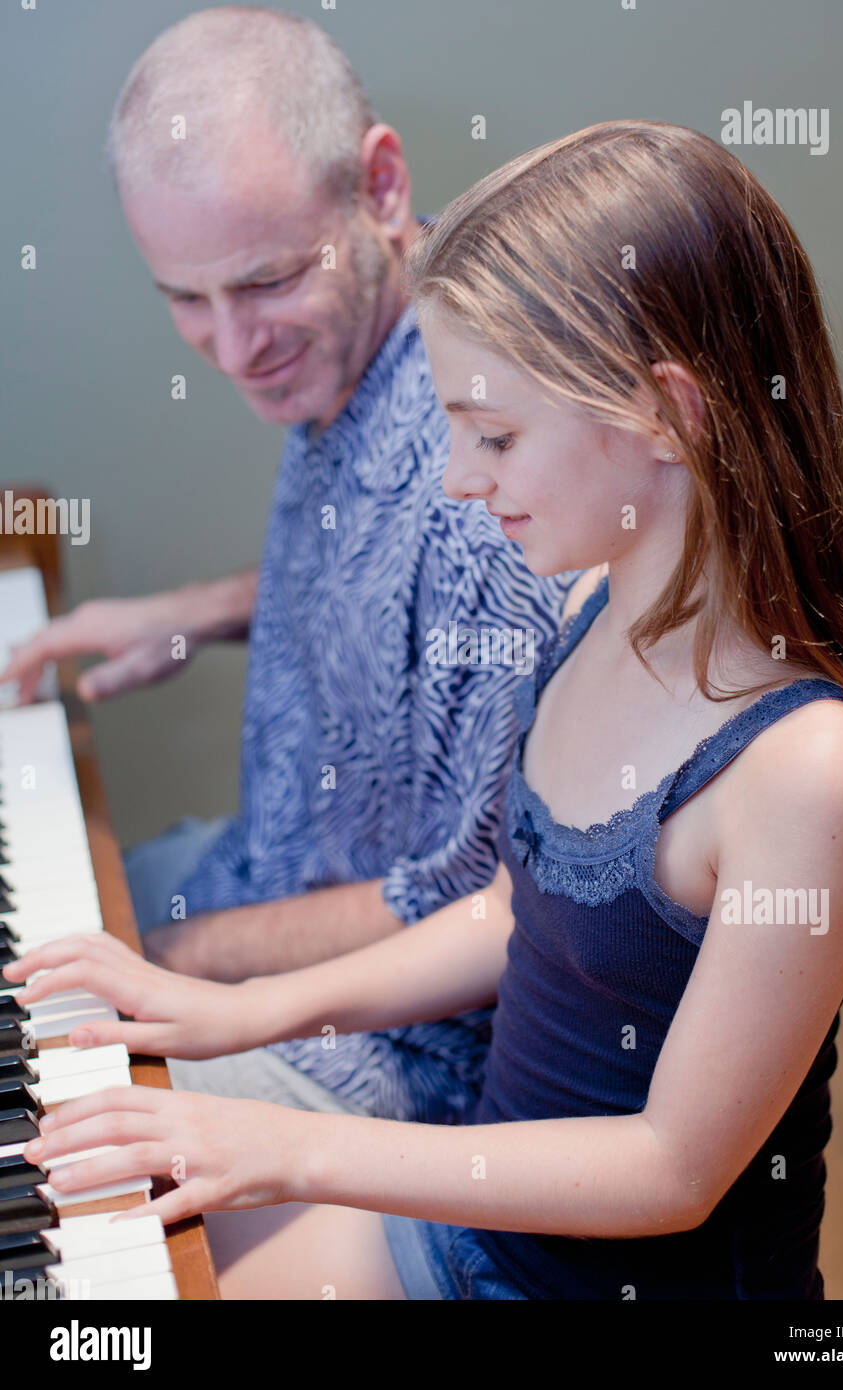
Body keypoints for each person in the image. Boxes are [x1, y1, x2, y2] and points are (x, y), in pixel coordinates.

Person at [9, 119, 843, 1301]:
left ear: (664, 411)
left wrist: (295, 1147)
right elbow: (509, 910)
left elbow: (668, 1169)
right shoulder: (587, 618)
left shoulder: (807, 768)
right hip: (478, 1238)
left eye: (494, 434)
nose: (458, 477)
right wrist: (233, 1008)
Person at [0, 8, 575, 1126]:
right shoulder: (385, 315)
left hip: (390, 1056)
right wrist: (200, 610)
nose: (228, 343)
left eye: (264, 281)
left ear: (382, 186)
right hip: (264, 870)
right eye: (184, 297)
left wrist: (160, 948)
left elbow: (473, 905)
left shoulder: (489, 475)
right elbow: (384, 595)